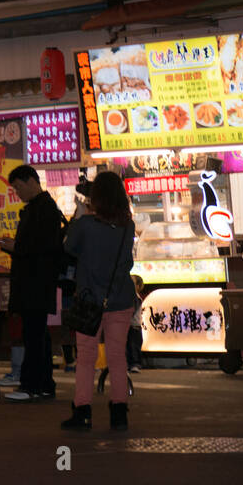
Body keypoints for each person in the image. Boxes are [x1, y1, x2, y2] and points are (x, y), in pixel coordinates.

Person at [60, 171, 138, 432]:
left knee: (86, 357)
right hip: (121, 298)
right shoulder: (128, 226)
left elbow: (69, 249)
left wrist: (79, 216)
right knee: (117, 357)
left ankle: (82, 412)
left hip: (89, 300)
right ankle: (119, 414)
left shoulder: (85, 225)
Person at [0, 165, 67, 403]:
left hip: (36, 282)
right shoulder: (41, 208)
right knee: (38, 334)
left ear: (30, 181)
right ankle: (44, 384)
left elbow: (42, 248)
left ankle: (32, 384)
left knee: (34, 335)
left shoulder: (44, 209)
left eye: (18, 187)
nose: (17, 193)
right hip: (37, 282)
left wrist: (15, 247)